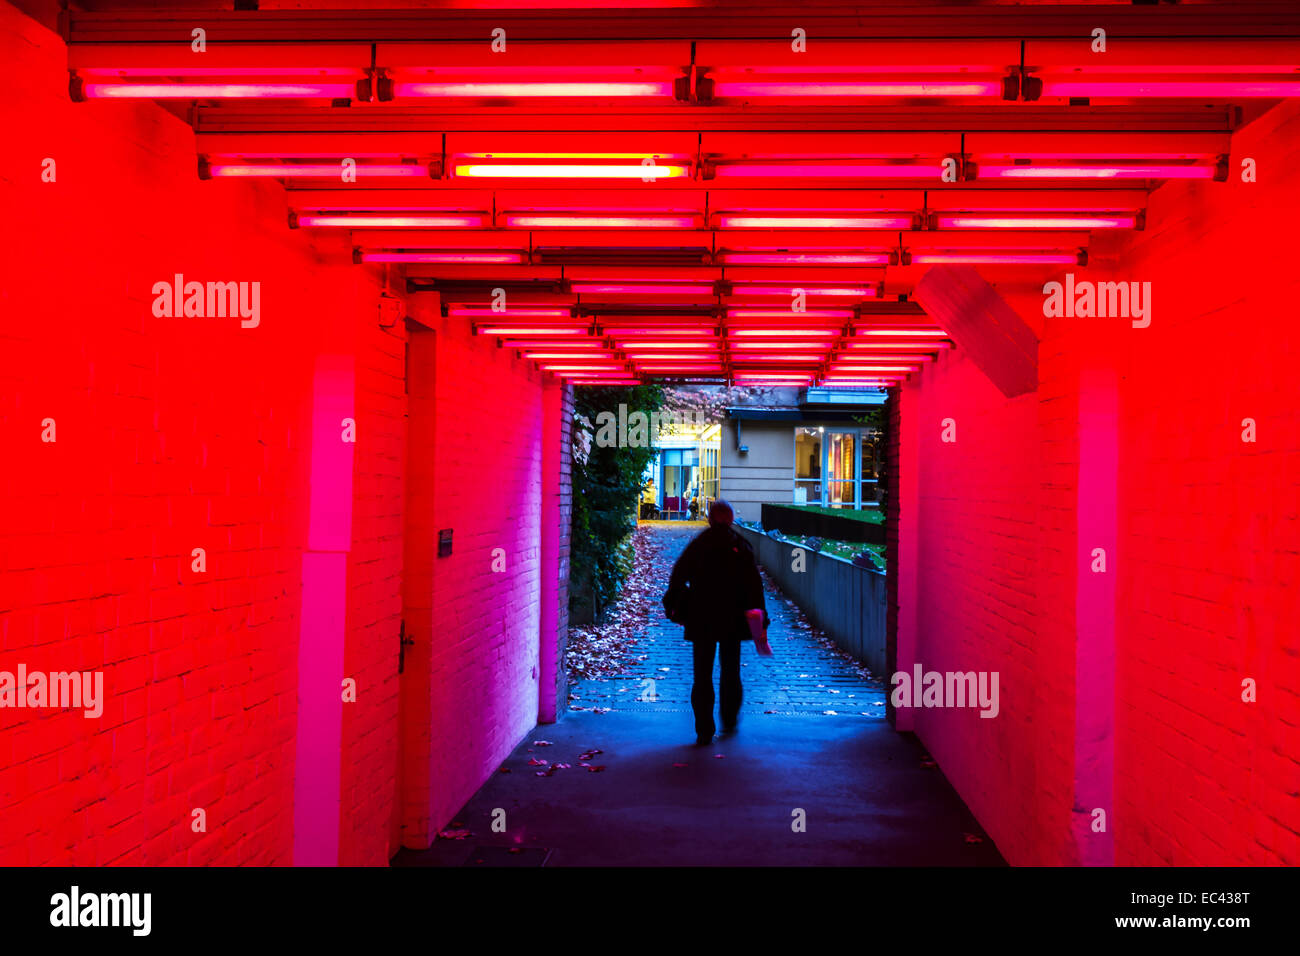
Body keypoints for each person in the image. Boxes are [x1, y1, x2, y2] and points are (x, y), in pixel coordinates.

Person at [662, 499, 769, 745]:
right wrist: (762, 620)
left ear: (710, 518)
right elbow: (755, 588)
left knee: (702, 673)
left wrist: (674, 606)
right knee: (730, 670)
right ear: (731, 519)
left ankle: (704, 729)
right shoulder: (741, 547)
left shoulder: (699, 545)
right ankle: (728, 720)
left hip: (702, 618)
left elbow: (678, 576)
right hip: (732, 619)